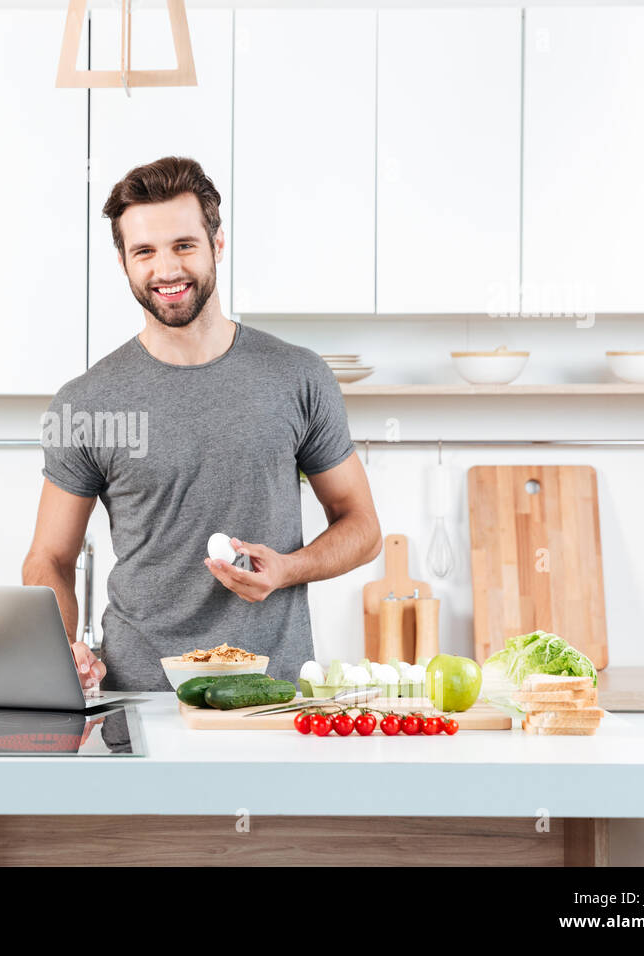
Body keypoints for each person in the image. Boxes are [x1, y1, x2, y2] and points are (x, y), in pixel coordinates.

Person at [22, 156, 381, 692]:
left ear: (216, 245)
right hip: (140, 695)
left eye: (183, 245)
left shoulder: (298, 376)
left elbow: (364, 528)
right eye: (144, 251)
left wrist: (287, 569)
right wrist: (58, 646)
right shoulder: (86, 403)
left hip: (274, 695)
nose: (165, 270)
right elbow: (49, 556)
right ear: (123, 263)